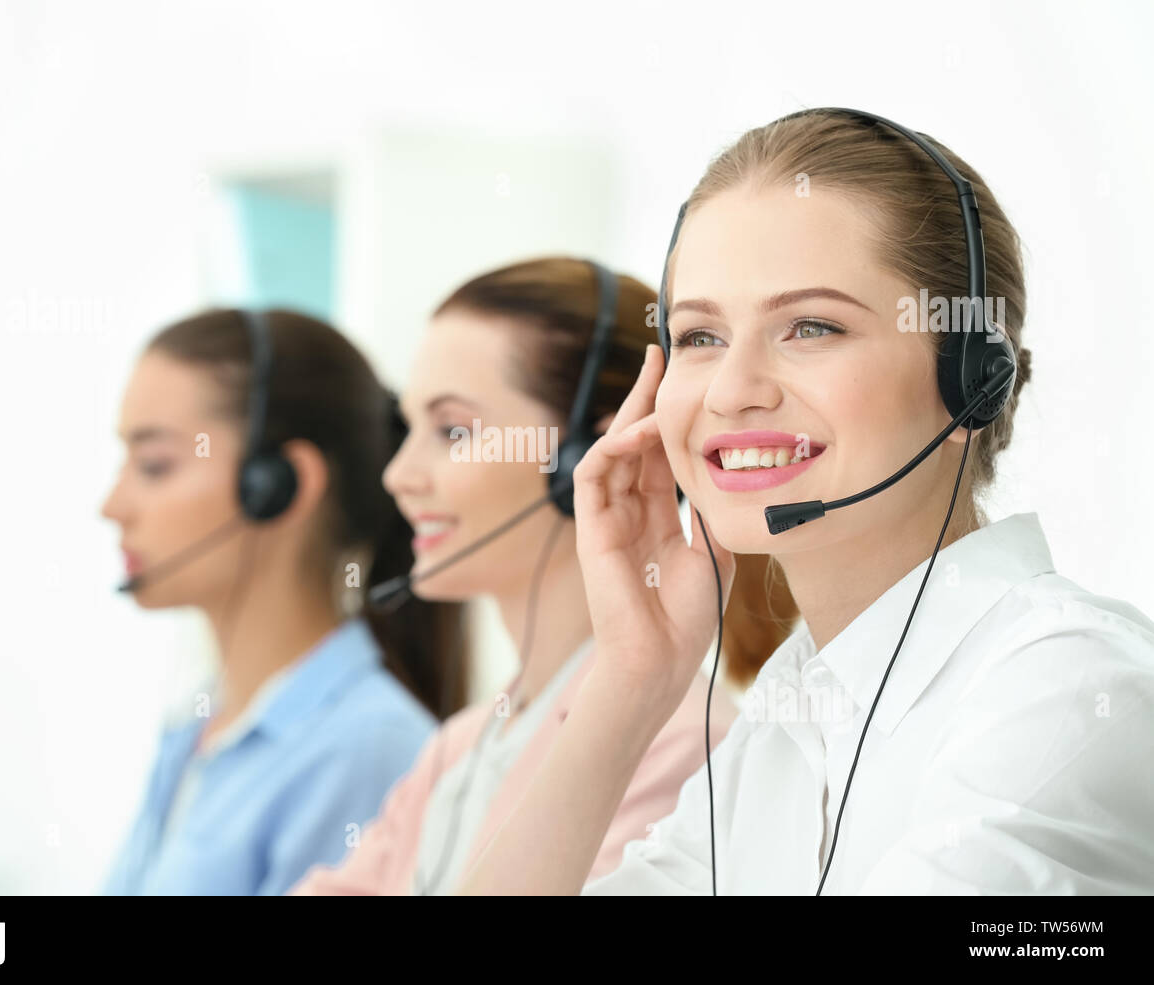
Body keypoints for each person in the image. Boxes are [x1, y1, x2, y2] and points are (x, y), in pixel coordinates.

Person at [455, 110, 1154, 895]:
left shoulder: (1067, 687)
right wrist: (630, 679)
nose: (732, 390)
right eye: (700, 337)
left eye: (811, 326)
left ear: (970, 382)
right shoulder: (784, 724)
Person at [289, 257, 800, 895]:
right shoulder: (460, 748)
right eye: (408, 427)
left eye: (452, 430)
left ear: (591, 457)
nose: (398, 474)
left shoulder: (682, 748)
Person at [99, 307, 466, 895]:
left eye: (154, 464)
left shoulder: (363, 750)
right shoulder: (199, 721)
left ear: (277, 485)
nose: (112, 505)